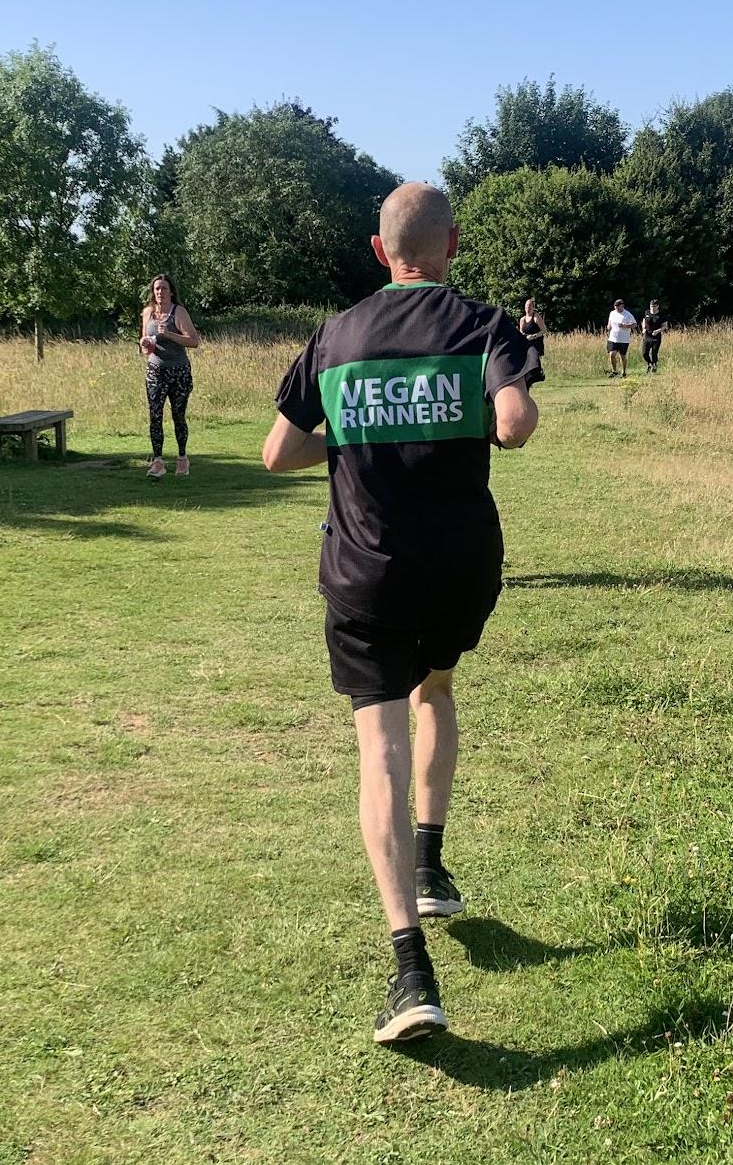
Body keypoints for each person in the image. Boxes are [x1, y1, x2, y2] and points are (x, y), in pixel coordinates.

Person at [262, 182, 540, 1046]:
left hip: (365, 574)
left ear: (379, 252)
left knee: (377, 743)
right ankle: (431, 862)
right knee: (437, 693)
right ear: (450, 245)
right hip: (458, 567)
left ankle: (409, 969)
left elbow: (277, 453)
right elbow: (516, 425)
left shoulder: (337, 334)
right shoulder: (483, 325)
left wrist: (350, 434)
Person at [139, 274, 200, 478]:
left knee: (178, 415)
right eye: (156, 289)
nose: (160, 292)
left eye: (164, 288)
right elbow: (145, 342)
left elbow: (194, 341)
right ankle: (157, 461)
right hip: (155, 370)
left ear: (171, 292)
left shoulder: (178, 312)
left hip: (179, 371)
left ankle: (182, 459)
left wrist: (170, 334)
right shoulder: (148, 313)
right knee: (155, 415)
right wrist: (146, 344)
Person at [606, 299, 637, 375]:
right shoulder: (612, 313)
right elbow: (609, 323)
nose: (616, 308)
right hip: (613, 338)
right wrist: (608, 326)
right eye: (615, 306)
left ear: (622, 305)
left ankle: (623, 372)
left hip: (623, 339)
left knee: (622, 356)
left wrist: (625, 326)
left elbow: (634, 324)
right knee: (612, 354)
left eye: (618, 306)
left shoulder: (627, 314)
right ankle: (614, 371)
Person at [640, 299, 666, 372]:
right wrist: (643, 328)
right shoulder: (647, 312)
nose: (652, 308)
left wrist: (658, 331)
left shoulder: (661, 315)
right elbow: (644, 321)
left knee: (654, 352)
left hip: (656, 337)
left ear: (658, 306)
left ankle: (654, 365)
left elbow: (664, 326)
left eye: (654, 306)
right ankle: (649, 363)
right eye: (651, 306)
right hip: (647, 336)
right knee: (644, 353)